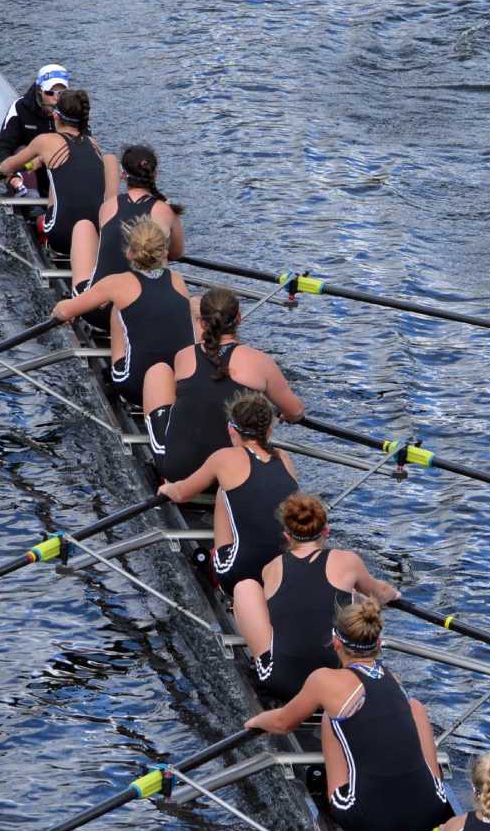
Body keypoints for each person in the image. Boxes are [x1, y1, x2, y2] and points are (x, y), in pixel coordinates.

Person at [247, 599, 455, 831]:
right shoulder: (393, 679)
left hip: (368, 823)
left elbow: (283, 723)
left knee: (329, 717)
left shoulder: (323, 679)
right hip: (429, 814)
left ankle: (331, 791)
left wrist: (255, 721)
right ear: (378, 644)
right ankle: (427, 789)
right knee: (416, 708)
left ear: (336, 642)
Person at [234, 493, 398, 699]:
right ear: (326, 531)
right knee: (355, 597)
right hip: (337, 678)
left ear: (287, 536)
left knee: (246, 587)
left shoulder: (271, 568)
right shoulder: (347, 560)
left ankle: (262, 660)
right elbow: (381, 593)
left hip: (283, 681)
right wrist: (395, 593)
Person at [148, 286, 305, 478]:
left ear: (202, 323)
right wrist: (284, 413)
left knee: (157, 372)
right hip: (234, 475)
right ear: (239, 318)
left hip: (180, 471)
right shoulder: (259, 361)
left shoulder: (184, 356)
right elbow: (296, 411)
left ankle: (168, 479)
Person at [159, 391, 298, 590]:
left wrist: (167, 487)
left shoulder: (224, 457)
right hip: (286, 570)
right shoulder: (283, 457)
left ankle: (219, 553)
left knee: (224, 489)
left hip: (242, 572)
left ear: (231, 429)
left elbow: (182, 494)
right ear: (268, 432)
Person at [51, 216, 194, 404]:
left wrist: (57, 312)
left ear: (129, 253)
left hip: (136, 388)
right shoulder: (178, 280)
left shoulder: (117, 284)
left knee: (119, 308)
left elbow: (64, 311)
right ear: (164, 252)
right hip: (179, 387)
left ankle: (120, 363)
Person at [0, 88, 111, 290]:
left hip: (62, 236)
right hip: (96, 233)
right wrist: (40, 162)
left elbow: (6, 166)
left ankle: (42, 231)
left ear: (56, 115)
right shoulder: (94, 145)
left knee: (43, 214)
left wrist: (0, 169)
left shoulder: (44, 141)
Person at [92, 144, 184, 280]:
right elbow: (176, 253)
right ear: (155, 173)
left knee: (83, 226)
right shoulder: (166, 210)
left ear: (123, 175)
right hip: (144, 292)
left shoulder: (107, 206)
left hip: (104, 290)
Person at [0, 63, 71, 165]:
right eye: (50, 93)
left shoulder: (72, 108)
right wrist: (10, 175)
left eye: (61, 93)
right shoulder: (19, 108)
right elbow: (2, 148)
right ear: (39, 90)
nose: (56, 98)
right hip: (29, 166)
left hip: (59, 162)